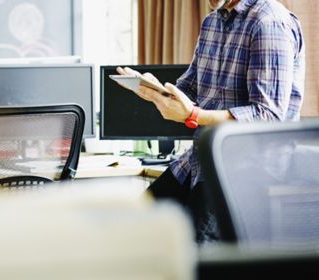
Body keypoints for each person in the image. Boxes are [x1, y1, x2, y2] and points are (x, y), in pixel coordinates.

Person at [116, 0, 305, 243]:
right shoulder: (212, 23)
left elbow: (268, 117)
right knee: (131, 230)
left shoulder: (268, 21)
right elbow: (191, 88)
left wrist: (194, 115)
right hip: (202, 158)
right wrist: (155, 90)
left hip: (246, 169)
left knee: (195, 259)